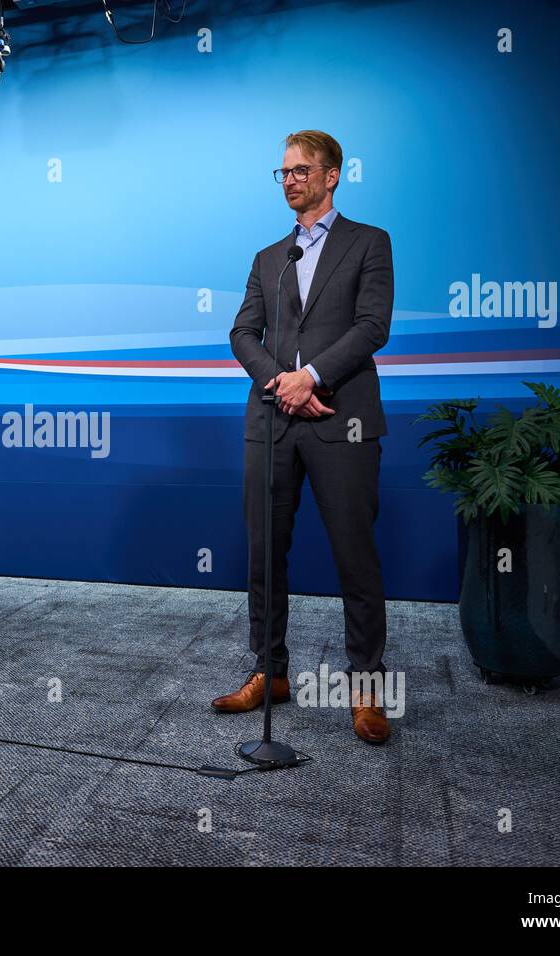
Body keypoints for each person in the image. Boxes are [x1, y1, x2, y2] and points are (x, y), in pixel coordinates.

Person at [217, 131, 394, 743]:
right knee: (264, 552)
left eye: (300, 170)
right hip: (272, 422)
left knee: (354, 555)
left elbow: (374, 326)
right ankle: (271, 672)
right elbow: (242, 334)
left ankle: (367, 688)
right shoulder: (270, 257)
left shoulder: (369, 243)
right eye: (283, 172)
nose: (290, 180)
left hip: (342, 419)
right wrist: (282, 382)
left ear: (332, 175)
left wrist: (312, 376)